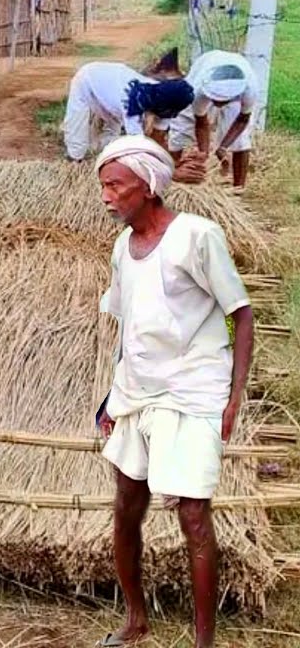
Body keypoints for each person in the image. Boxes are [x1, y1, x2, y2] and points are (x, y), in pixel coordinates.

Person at [94, 135, 254, 648]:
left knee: (191, 513)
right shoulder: (123, 247)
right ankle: (135, 620)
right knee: (126, 505)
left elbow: (239, 315)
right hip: (138, 390)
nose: (106, 197)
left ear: (149, 186)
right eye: (104, 186)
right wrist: (111, 398)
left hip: (193, 388)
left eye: (115, 186)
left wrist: (232, 396)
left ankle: (203, 641)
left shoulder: (196, 237)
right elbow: (130, 325)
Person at [62, 62, 194, 162]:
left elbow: (157, 138)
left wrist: (171, 162)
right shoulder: (131, 101)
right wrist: (170, 171)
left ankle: (103, 153)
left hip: (113, 83)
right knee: (77, 127)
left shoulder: (165, 98)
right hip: (88, 78)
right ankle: (73, 160)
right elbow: (137, 146)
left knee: (112, 131)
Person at [167, 50, 260, 188]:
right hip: (203, 72)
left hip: (236, 93)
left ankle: (238, 190)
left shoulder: (249, 90)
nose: (217, 104)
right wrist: (204, 153)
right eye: (215, 98)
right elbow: (201, 122)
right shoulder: (198, 89)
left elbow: (242, 120)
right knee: (180, 132)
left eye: (222, 100)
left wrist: (223, 148)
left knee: (241, 141)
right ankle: (173, 179)